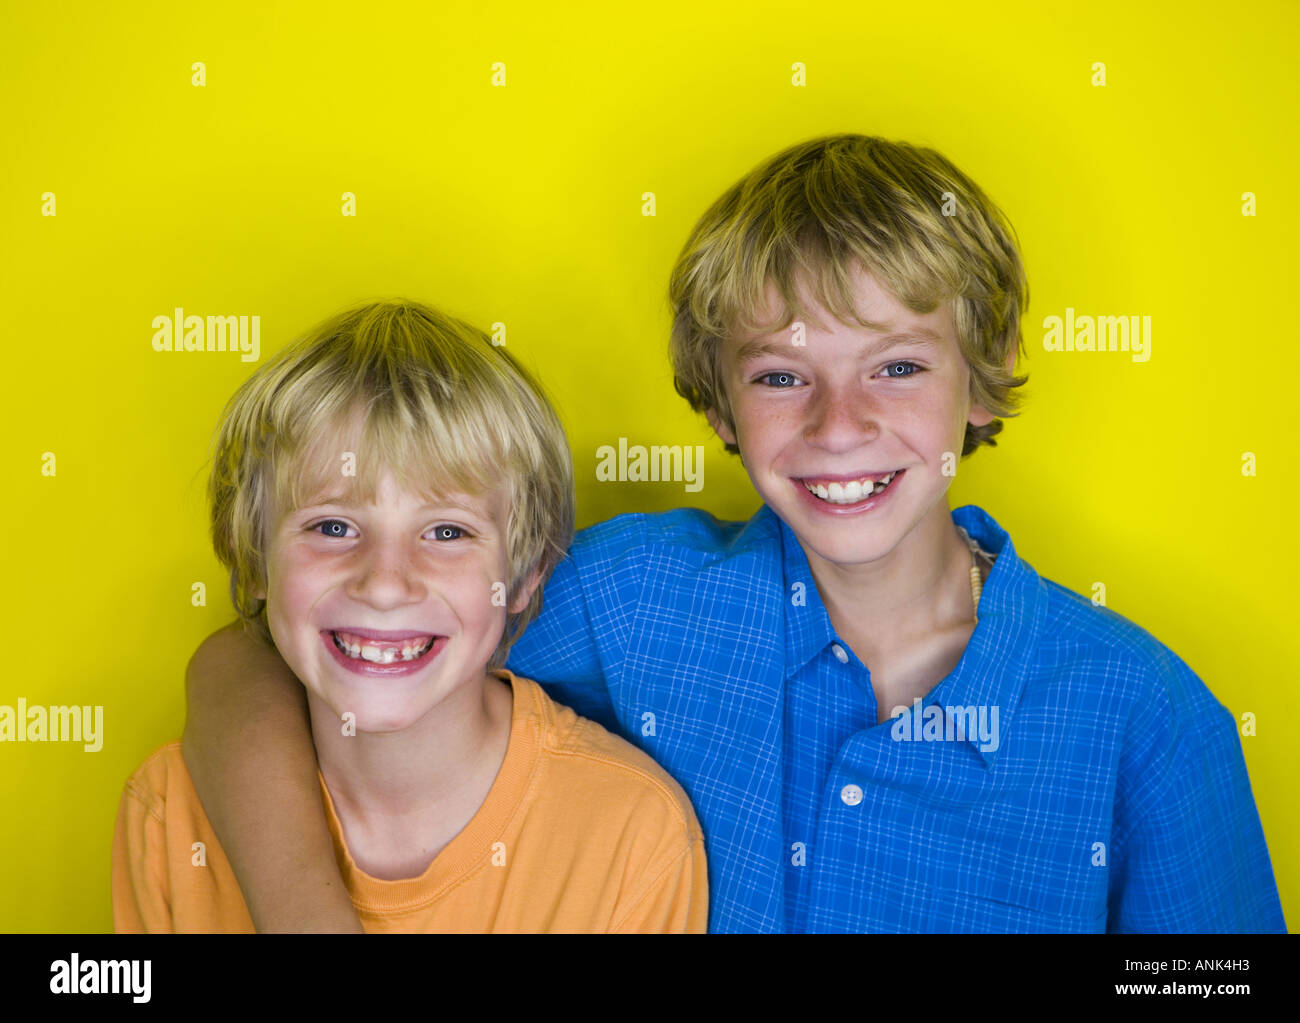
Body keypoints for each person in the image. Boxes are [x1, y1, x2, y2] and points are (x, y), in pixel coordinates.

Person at [179, 136, 1285, 933]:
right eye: (779, 374)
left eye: (896, 366)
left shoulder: (1146, 723)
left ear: (979, 390)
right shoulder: (632, 600)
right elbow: (257, 657)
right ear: (717, 408)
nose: (838, 423)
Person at [112, 300, 708, 932]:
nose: (385, 584)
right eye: (333, 526)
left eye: (447, 531)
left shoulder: (631, 835)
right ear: (253, 561)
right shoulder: (171, 808)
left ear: (527, 575)